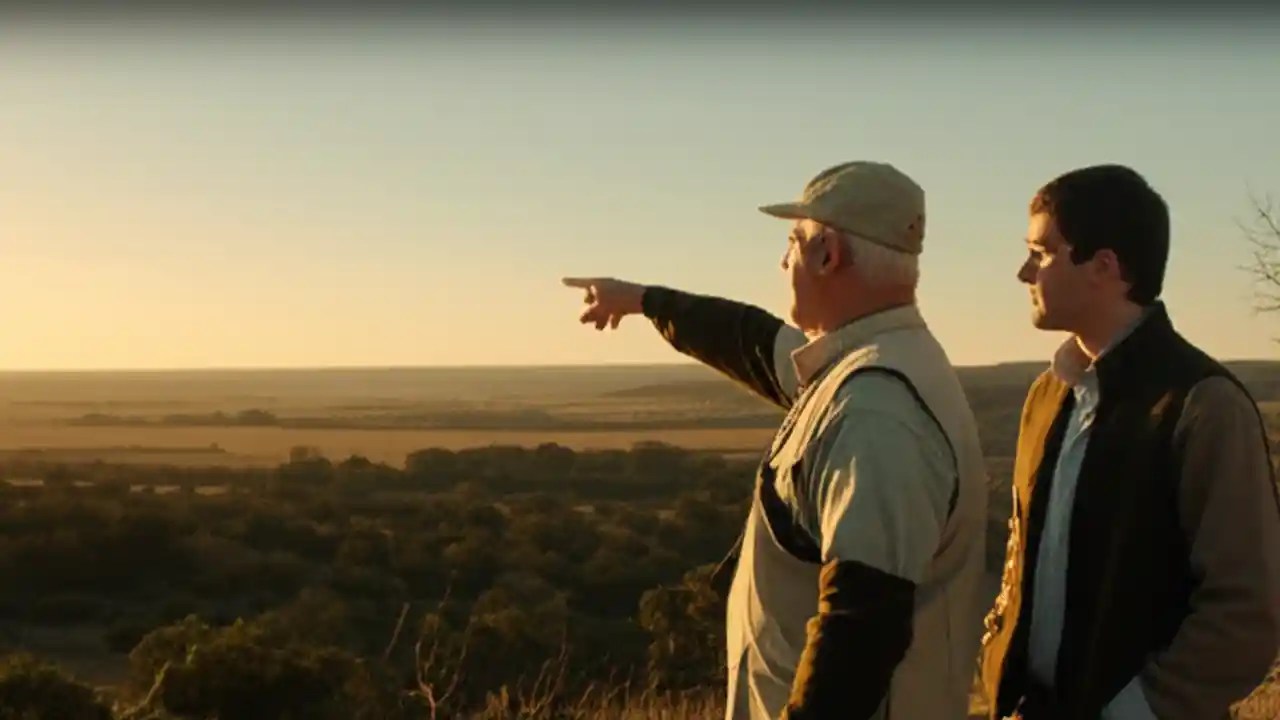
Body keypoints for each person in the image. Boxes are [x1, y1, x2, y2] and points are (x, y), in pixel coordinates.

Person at [563, 160, 991, 719]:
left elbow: (859, 630)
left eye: (792, 243)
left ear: (826, 255)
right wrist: (644, 300)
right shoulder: (869, 367)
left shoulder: (876, 412)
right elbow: (754, 343)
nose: (782, 260)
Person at [978, 164, 1280, 719]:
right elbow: (1021, 565)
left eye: (1042, 253)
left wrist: (1136, 710)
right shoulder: (1046, 398)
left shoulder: (1202, 405)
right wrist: (998, 661)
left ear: (1105, 266)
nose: (1024, 272)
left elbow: (1246, 611)